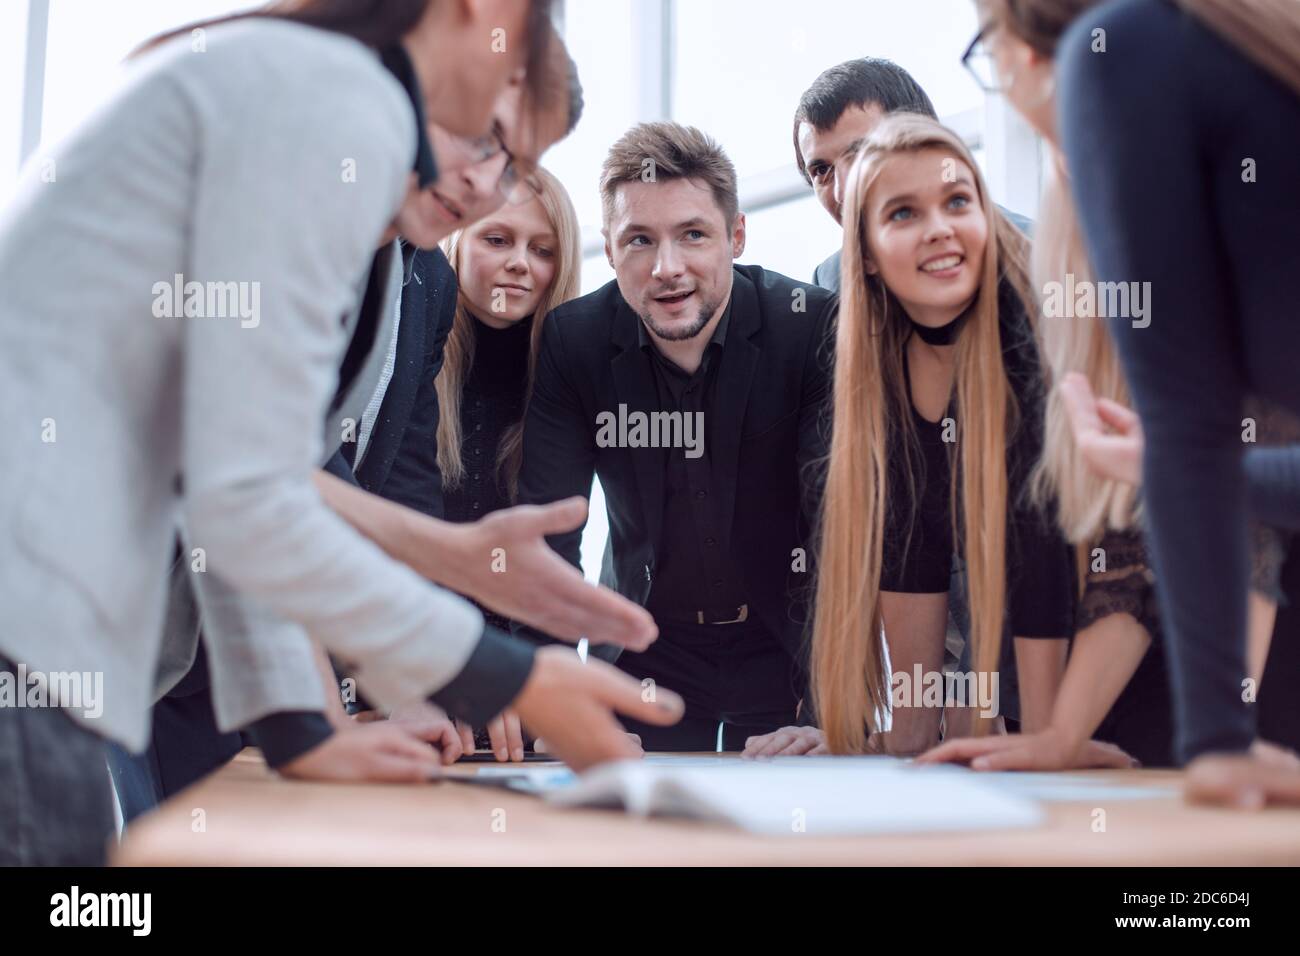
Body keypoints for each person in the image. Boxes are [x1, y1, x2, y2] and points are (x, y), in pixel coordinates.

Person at [0, 0, 681, 866]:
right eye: (500, 135)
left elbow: (236, 489)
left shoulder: (341, 146)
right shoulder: (336, 102)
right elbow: (244, 496)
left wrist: (299, 731)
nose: (489, 177)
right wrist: (503, 675)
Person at [915, 0, 1299, 773]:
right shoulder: (1230, 58)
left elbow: (1195, 437)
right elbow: (1214, 473)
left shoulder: (1119, 58)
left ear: (1019, 50)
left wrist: (1223, 746)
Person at [513, 122, 837, 751]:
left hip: (787, 648)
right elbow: (550, 537)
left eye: (693, 235)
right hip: (644, 646)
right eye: (640, 240)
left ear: (735, 236)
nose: (668, 269)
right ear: (608, 251)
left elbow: (844, 527)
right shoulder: (573, 341)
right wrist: (556, 702)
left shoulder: (807, 327)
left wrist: (835, 710)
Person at [804, 114, 1075, 757]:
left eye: (958, 201)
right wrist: (903, 741)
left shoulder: (1035, 332)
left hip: (1141, 649)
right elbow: (910, 554)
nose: (940, 228)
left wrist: (1044, 746)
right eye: (903, 214)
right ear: (865, 255)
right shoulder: (875, 362)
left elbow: (1044, 561)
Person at [793, 56, 1031, 294]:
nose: (843, 191)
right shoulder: (830, 281)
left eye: (863, 154)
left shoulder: (1040, 256)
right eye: (822, 170)